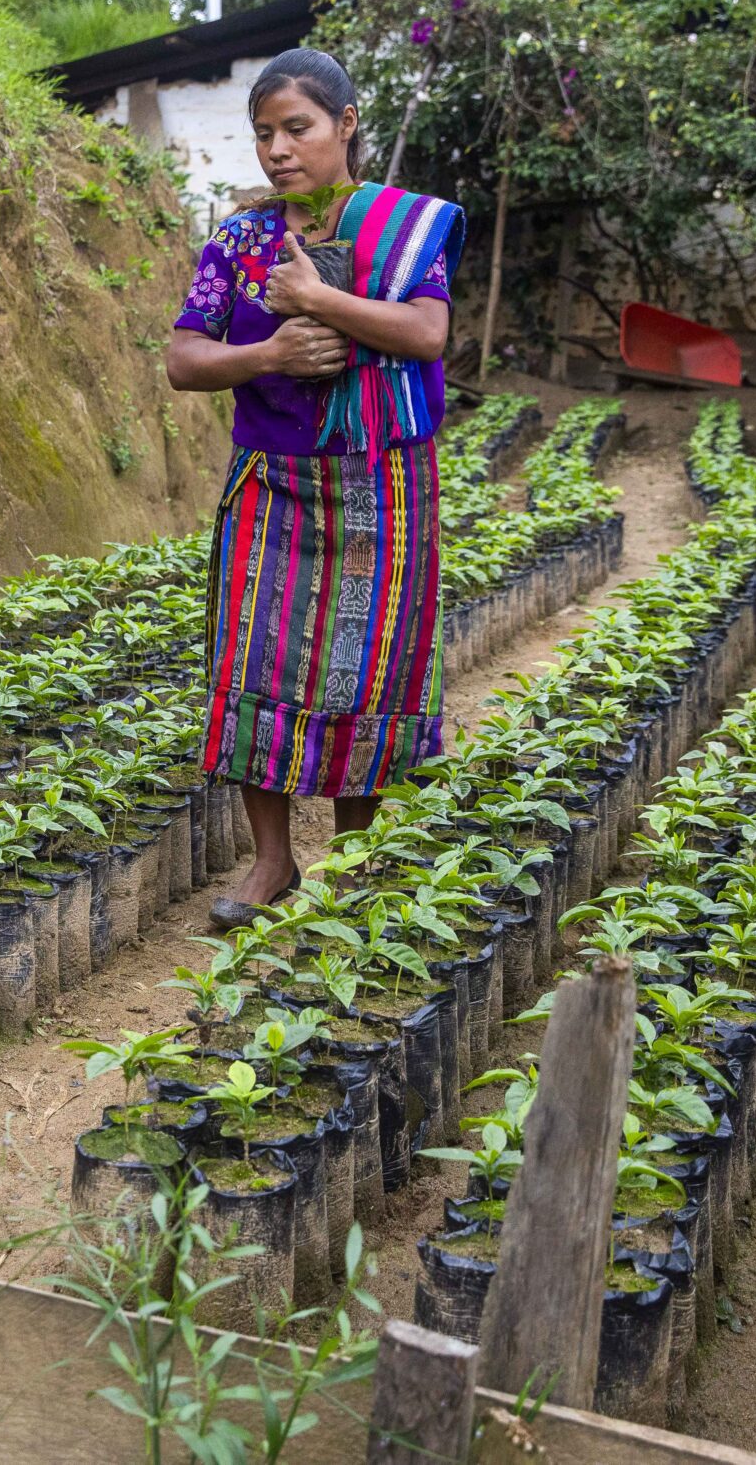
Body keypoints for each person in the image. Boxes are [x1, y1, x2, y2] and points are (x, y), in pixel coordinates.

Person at [165, 47, 466, 926]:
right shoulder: (241, 240)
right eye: (263, 134)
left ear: (346, 125)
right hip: (274, 485)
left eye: (296, 128)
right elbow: (186, 358)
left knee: (364, 673)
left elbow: (425, 334)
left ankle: (354, 859)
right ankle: (272, 863)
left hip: (383, 484)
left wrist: (318, 298)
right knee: (255, 659)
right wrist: (270, 352)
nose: (278, 150)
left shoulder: (401, 233)